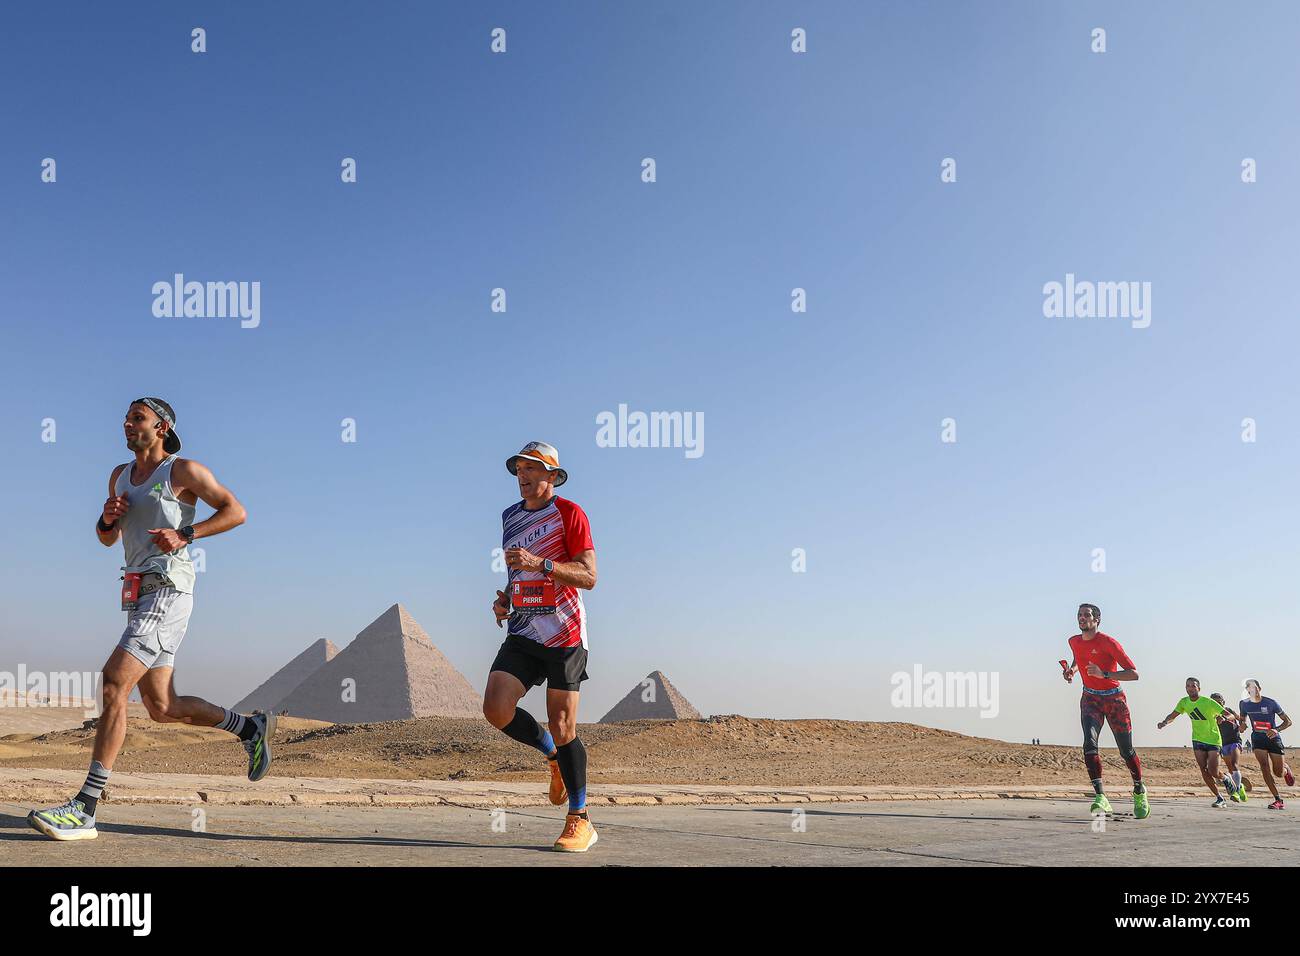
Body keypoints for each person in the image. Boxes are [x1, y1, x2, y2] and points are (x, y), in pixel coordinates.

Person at [27, 399, 274, 841]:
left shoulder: (183, 472)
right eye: (125, 417)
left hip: (169, 592)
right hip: (137, 594)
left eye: (137, 417)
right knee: (162, 707)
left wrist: (186, 534)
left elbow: (236, 511)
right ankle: (249, 728)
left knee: (112, 682)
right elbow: (106, 540)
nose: (126, 423)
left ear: (161, 428)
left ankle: (84, 808)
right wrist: (106, 519)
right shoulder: (119, 476)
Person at [482, 442, 599, 851]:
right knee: (496, 708)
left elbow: (589, 576)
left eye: (532, 469)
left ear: (553, 475)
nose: (522, 475)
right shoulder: (509, 517)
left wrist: (542, 564)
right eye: (518, 468)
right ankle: (550, 756)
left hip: (564, 634)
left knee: (564, 726)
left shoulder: (570, 513)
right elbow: (518, 576)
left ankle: (580, 818)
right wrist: (506, 600)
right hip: (524, 630)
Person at [1062, 603, 1149, 819]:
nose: (1082, 618)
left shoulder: (1109, 643)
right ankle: (1101, 797)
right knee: (1089, 743)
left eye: (1087, 615)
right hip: (1090, 698)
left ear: (1097, 620)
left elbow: (1134, 674)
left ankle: (1139, 789)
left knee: (1126, 750)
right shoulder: (1073, 641)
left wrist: (1106, 675)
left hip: (1114, 699)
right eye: (1079, 615)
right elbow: (1078, 657)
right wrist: (1072, 671)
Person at [1156, 678, 1239, 807]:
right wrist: (1165, 722)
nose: (1190, 688)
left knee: (1213, 771)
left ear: (1198, 688)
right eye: (1188, 686)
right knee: (1203, 770)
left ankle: (1225, 778)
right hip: (1197, 739)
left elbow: (1231, 715)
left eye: (1193, 686)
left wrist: (1223, 718)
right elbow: (1173, 715)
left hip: (1213, 740)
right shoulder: (1184, 702)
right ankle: (1219, 798)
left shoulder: (1208, 702)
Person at [1238, 679, 1294, 809]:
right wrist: (1242, 726)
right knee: (1264, 766)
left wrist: (1276, 730)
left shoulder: (1271, 703)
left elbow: (1288, 721)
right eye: (1249, 688)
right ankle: (1278, 799)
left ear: (1259, 688)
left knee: (1278, 773)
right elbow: (1242, 719)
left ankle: (1286, 770)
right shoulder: (1244, 704)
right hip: (1257, 738)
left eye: (1254, 688)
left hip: (1273, 739)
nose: (1252, 690)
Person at [1211, 693, 1246, 802]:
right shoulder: (1211, 715)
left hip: (1234, 741)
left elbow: (1236, 717)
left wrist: (1242, 726)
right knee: (1230, 769)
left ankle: (1235, 792)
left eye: (1219, 701)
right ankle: (1240, 787)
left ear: (1223, 702)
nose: (1217, 703)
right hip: (1222, 743)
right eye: (1214, 702)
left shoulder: (1227, 710)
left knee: (1235, 765)